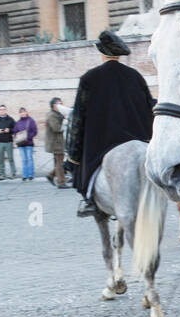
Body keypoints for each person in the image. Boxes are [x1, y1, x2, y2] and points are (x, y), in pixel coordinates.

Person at [66, 29, 155, 218]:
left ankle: (89, 200)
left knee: (84, 171)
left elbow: (78, 118)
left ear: (102, 52)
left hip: (102, 143)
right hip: (138, 137)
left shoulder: (89, 78)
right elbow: (150, 108)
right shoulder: (136, 76)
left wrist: (73, 156)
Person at [45, 97, 68, 187]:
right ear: (54, 105)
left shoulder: (58, 114)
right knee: (60, 163)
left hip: (59, 141)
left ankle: (50, 175)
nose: (61, 105)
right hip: (55, 142)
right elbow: (57, 128)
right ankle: (61, 182)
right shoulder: (52, 115)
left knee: (59, 162)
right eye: (59, 104)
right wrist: (65, 122)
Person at [0, 104, 17, 179]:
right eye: (1, 109)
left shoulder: (10, 119)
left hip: (9, 141)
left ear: (6, 110)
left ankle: (13, 173)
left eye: (4, 109)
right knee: (1, 159)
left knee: (10, 158)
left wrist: (10, 130)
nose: (2, 111)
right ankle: (2, 174)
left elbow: (16, 128)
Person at [14, 107, 38, 180]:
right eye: (21, 112)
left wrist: (28, 137)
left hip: (29, 143)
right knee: (24, 160)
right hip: (21, 144)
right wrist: (17, 137)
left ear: (26, 112)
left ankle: (31, 175)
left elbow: (35, 131)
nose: (22, 113)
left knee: (29, 159)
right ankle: (25, 175)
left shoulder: (31, 121)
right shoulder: (18, 122)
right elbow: (15, 132)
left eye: (23, 112)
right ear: (19, 114)